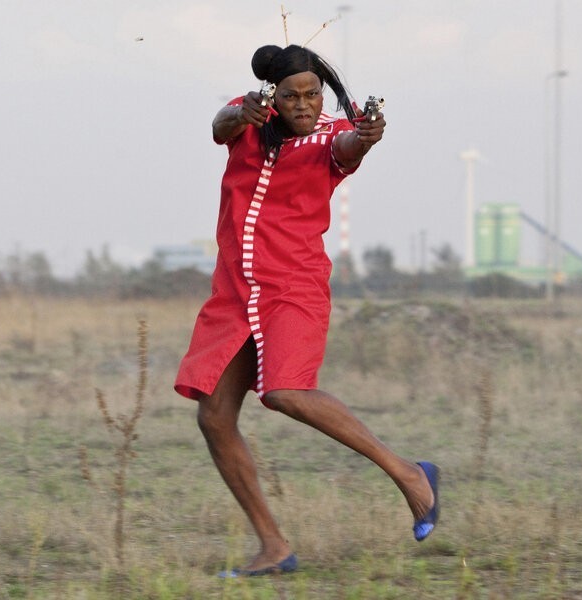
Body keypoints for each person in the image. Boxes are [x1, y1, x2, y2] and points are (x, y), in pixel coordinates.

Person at [174, 44, 439, 577]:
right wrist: (242, 110)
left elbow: (348, 146)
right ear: (273, 98)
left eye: (313, 95)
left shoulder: (331, 139)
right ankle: (273, 547)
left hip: (292, 288)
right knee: (214, 416)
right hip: (235, 293)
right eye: (292, 96)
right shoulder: (249, 119)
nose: (304, 105)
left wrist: (364, 138)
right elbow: (221, 125)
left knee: (285, 391)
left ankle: (411, 474)